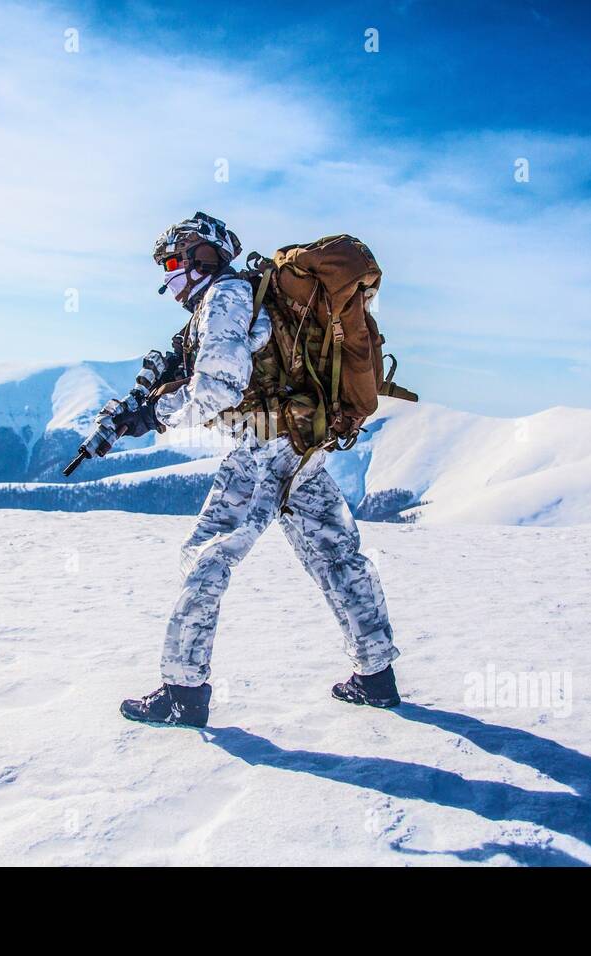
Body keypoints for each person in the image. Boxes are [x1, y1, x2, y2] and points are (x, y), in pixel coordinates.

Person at [107, 213, 401, 728]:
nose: (168, 276)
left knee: (207, 558)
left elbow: (219, 387)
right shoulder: (247, 296)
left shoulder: (224, 297)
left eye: (174, 262)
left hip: (263, 443)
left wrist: (156, 415)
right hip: (303, 444)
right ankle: (377, 676)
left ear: (202, 258)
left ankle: (183, 691)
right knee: (336, 555)